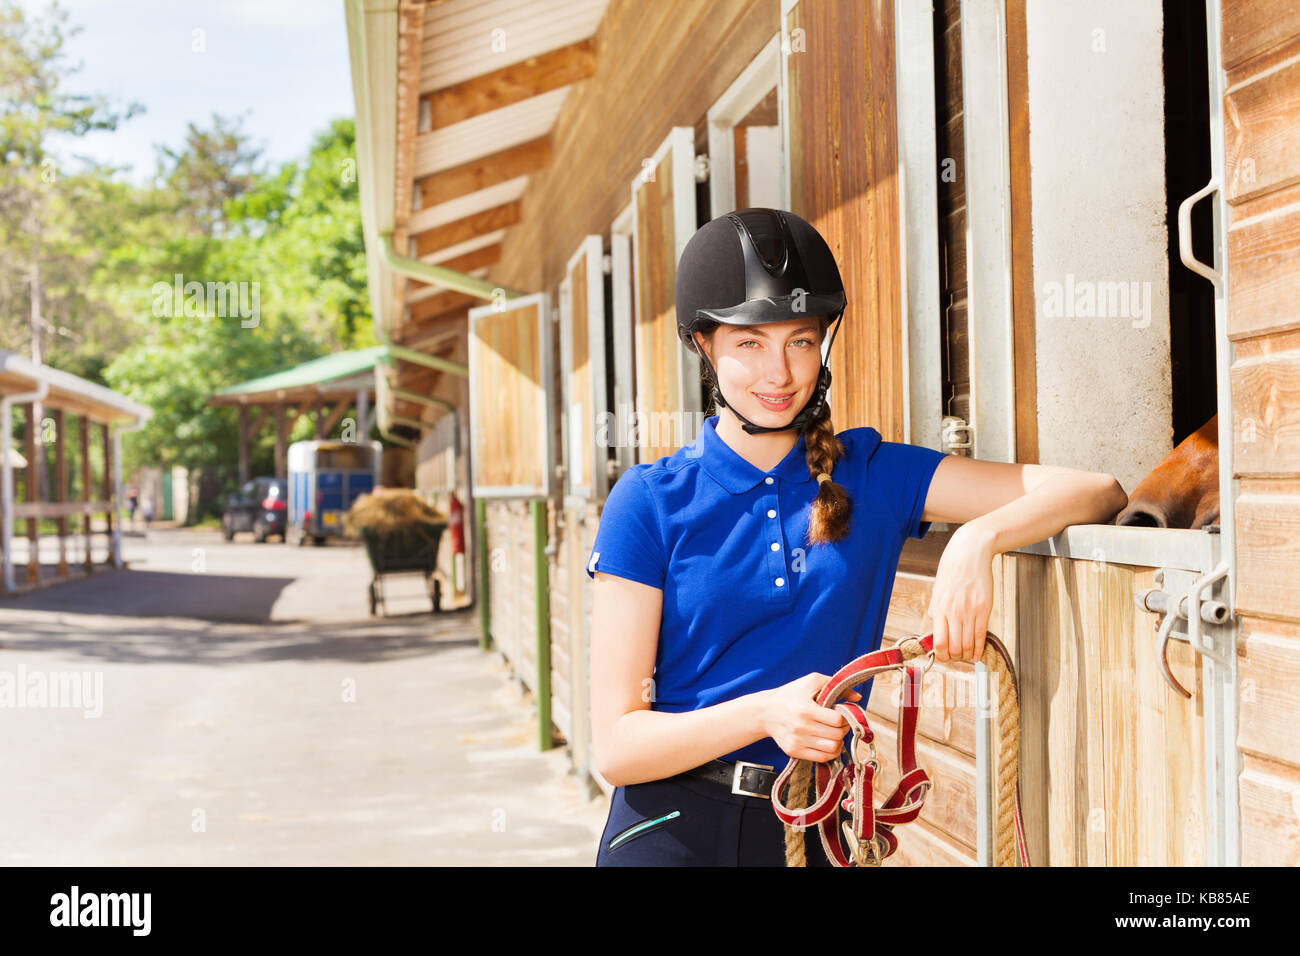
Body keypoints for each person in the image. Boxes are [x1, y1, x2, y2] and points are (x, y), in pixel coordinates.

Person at [586, 208, 1128, 867]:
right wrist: (764, 715)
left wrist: (977, 540)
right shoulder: (647, 502)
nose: (779, 373)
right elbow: (616, 745)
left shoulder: (872, 474)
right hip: (669, 830)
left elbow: (1096, 488)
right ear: (704, 345)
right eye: (750, 344)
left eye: (801, 341)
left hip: (813, 828)